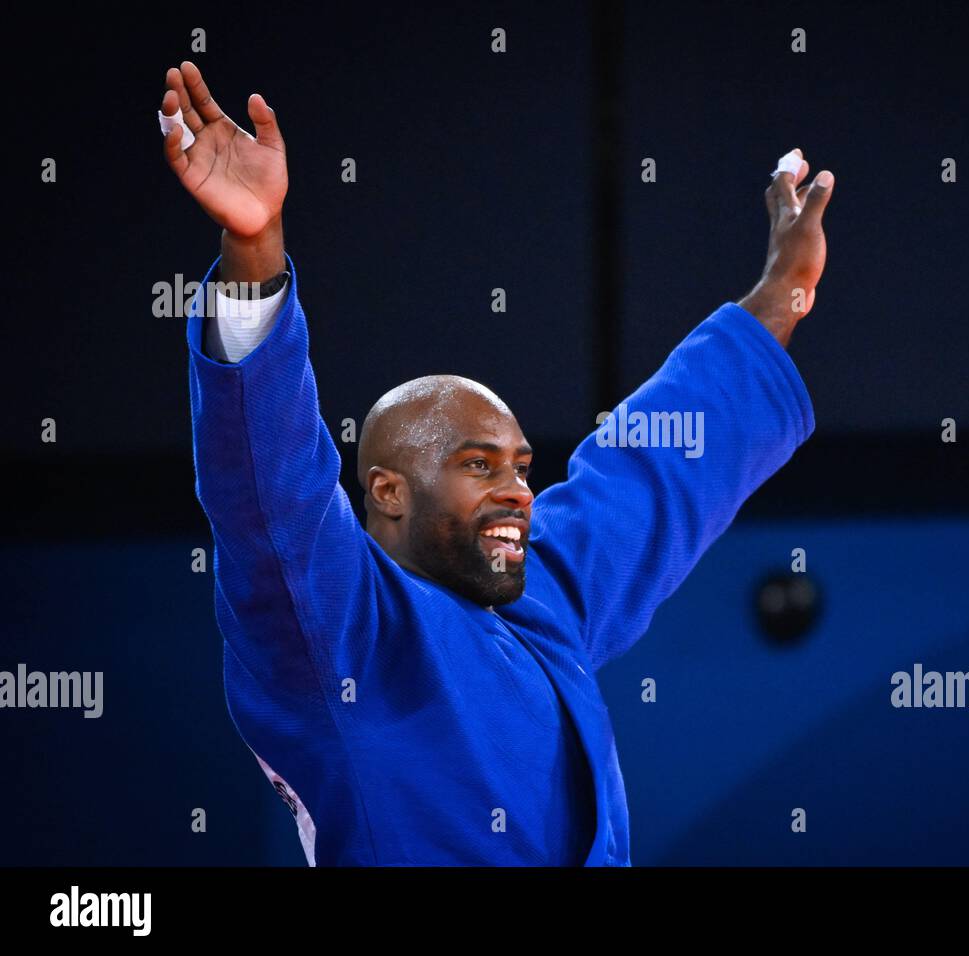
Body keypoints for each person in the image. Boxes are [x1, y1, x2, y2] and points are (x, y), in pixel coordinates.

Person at [160, 60, 834, 865]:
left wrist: (781, 292)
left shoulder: (538, 604)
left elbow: (652, 473)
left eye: (521, 466)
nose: (518, 491)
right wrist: (254, 249)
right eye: (481, 467)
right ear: (387, 491)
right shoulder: (340, 635)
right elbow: (268, 493)